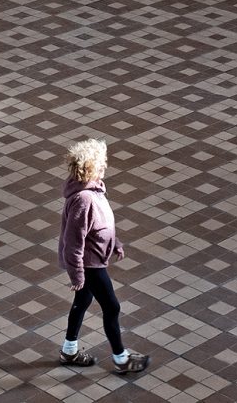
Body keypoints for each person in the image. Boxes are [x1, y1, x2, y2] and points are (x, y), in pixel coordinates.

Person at [56, 138, 149, 376]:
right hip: (90, 265)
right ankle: (121, 359)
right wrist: (77, 275)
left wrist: (114, 242)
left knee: (82, 302)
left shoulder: (94, 190)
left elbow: (100, 225)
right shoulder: (84, 199)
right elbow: (73, 242)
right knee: (112, 307)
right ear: (89, 168)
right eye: (100, 164)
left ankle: (69, 351)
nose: (105, 167)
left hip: (92, 260)